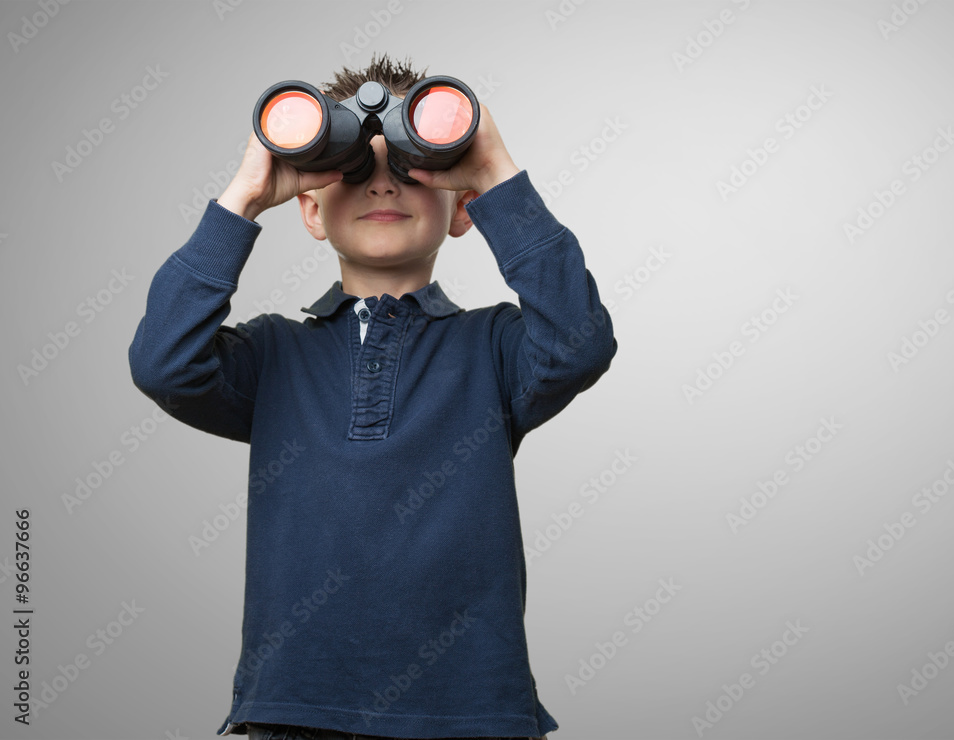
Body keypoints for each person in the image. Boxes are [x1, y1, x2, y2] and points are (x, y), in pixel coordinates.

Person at [128, 53, 617, 740]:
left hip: (471, 712)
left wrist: (496, 173)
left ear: (462, 213)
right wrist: (241, 197)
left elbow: (579, 342)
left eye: (413, 171)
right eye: (356, 169)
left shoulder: (496, 349)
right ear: (309, 210)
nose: (382, 187)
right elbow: (164, 365)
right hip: (295, 711)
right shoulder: (272, 355)